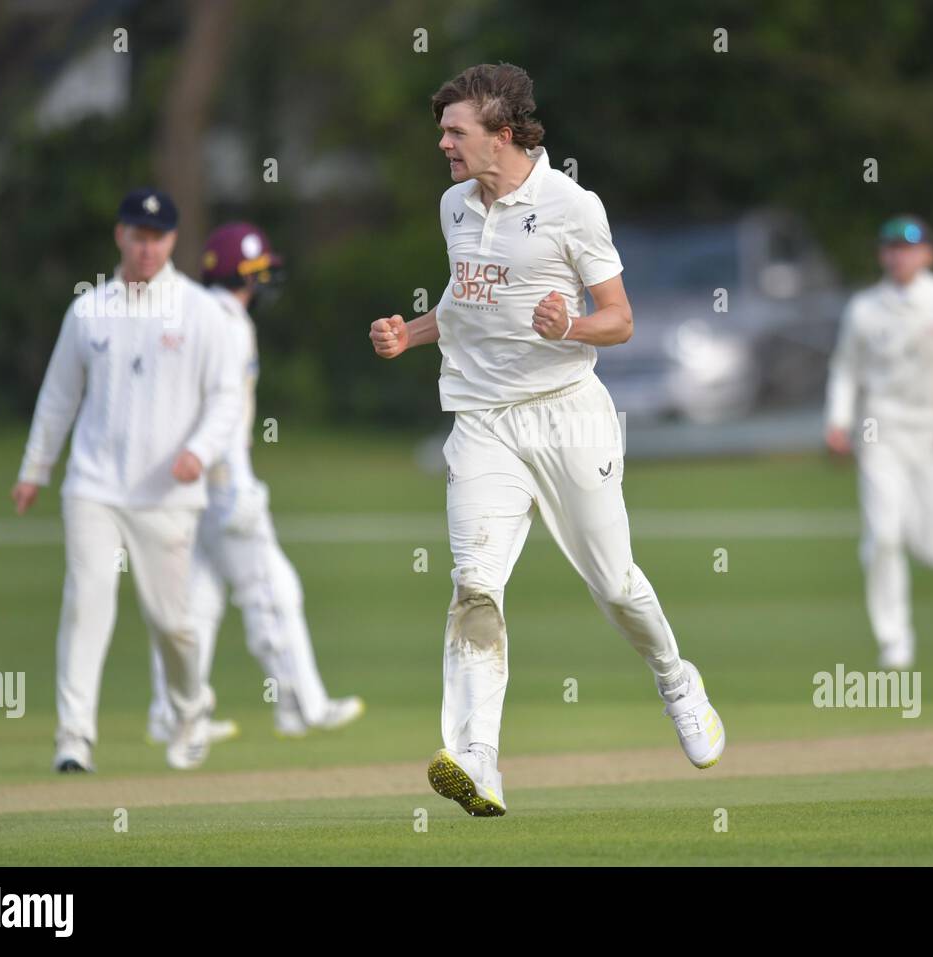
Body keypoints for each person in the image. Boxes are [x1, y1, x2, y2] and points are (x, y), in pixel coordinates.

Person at [369, 63, 724, 818]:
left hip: (567, 416)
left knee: (616, 583)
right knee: (474, 587)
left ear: (502, 134)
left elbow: (620, 319)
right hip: (482, 424)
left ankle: (675, 678)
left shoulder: (570, 205)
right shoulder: (454, 208)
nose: (443, 143)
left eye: (455, 131)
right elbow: (467, 301)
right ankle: (477, 761)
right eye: (442, 131)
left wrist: (571, 326)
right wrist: (414, 332)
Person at [12, 188, 241, 772]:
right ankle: (74, 737)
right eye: (137, 236)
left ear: (172, 241)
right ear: (121, 236)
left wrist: (198, 450)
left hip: (167, 493)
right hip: (93, 486)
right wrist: (35, 469)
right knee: (87, 602)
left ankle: (190, 711)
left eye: (158, 238)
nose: (146, 248)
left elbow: (226, 397)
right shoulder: (89, 310)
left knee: (171, 622)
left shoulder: (200, 311)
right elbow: (59, 397)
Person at [145, 222, 365, 742]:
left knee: (195, 601)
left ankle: (174, 714)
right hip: (220, 483)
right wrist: (234, 481)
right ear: (243, 275)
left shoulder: (190, 314)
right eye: (259, 273)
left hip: (181, 483)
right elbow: (219, 409)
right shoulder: (228, 324)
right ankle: (302, 707)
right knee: (274, 592)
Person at [824, 215, 933, 669]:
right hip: (882, 431)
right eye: (890, 247)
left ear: (927, 254)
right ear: (882, 254)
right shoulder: (864, 308)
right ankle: (894, 640)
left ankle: (909, 540)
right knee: (884, 535)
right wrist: (838, 421)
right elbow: (845, 368)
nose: (898, 255)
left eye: (908, 247)